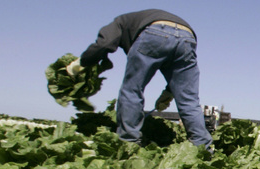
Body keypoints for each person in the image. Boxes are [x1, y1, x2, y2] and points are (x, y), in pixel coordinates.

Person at [67, 9, 213, 148]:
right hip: (187, 36)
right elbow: (179, 74)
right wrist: (168, 93)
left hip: (154, 30)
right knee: (189, 100)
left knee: (132, 89)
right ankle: (203, 149)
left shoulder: (120, 22)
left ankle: (128, 142)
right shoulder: (137, 19)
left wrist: (81, 63)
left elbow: (103, 44)